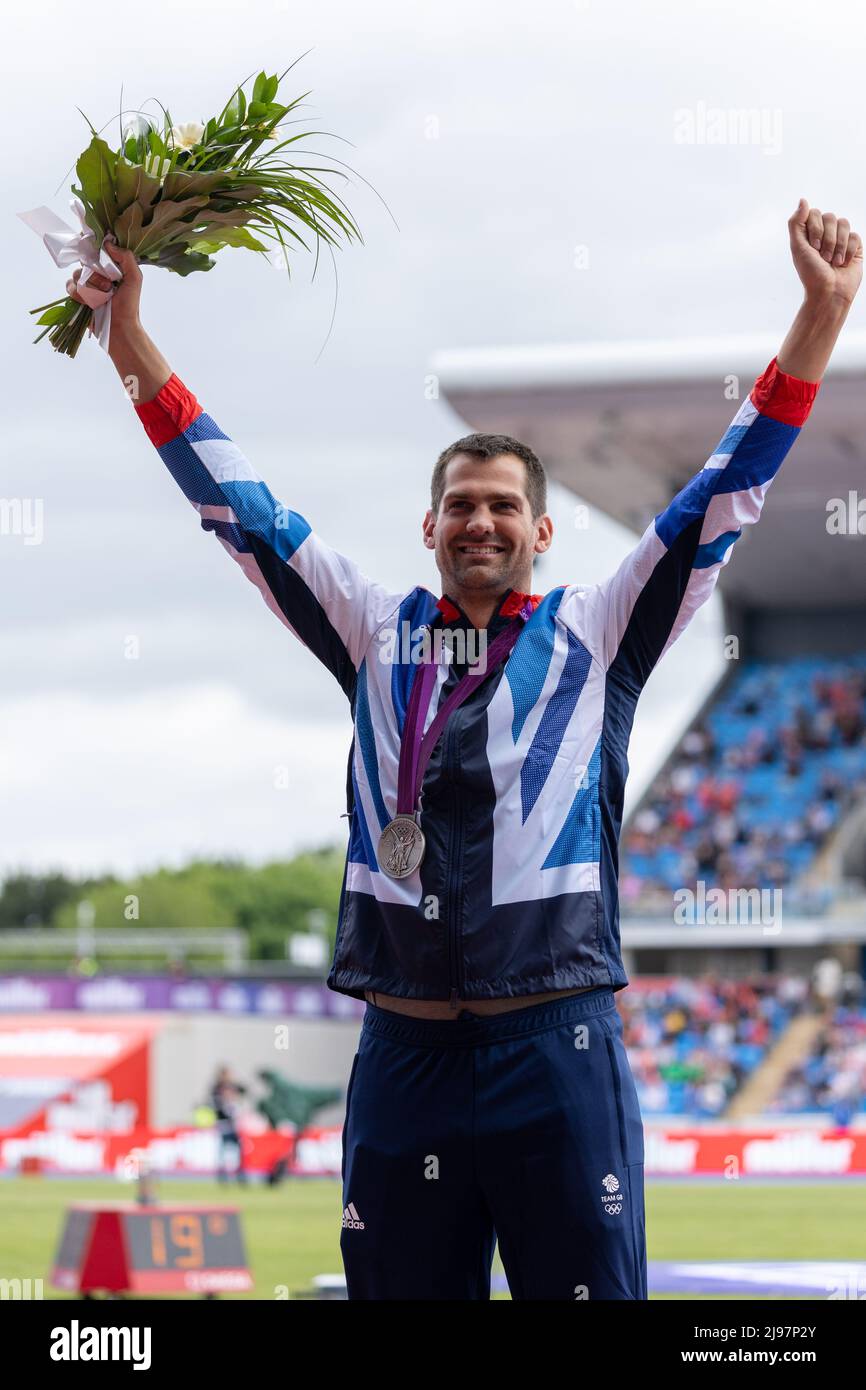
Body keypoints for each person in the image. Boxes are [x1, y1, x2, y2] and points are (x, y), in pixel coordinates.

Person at [69, 198, 861, 1300]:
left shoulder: (599, 626)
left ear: (540, 532)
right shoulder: (366, 624)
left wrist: (817, 318)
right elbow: (233, 500)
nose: (477, 521)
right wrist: (127, 338)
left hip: (555, 1051)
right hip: (401, 1058)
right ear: (427, 526)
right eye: (457, 506)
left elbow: (724, 492)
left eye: (501, 507)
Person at [209, 1065, 247, 1185]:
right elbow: (216, 1105)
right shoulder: (217, 1088)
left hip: (234, 1124)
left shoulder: (233, 1086)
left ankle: (240, 1175)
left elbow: (244, 1091)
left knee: (240, 1149)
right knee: (223, 1151)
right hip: (223, 1124)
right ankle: (223, 1176)